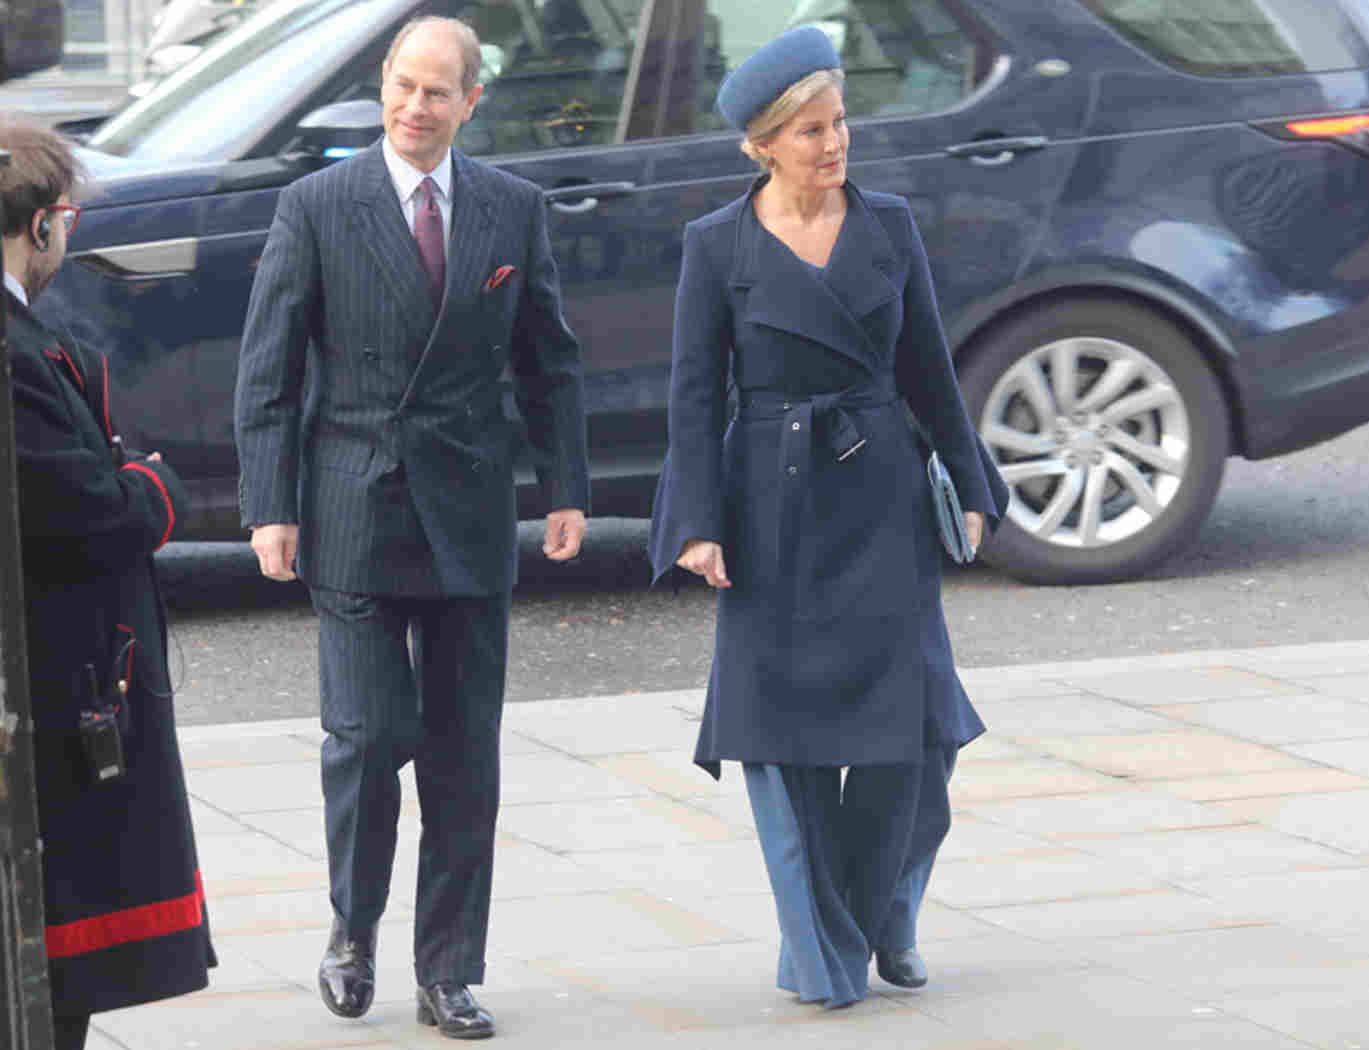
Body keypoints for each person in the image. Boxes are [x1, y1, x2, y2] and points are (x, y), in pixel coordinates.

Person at [234, 15, 589, 1040]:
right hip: (354, 502)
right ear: (382, 87)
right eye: (401, 85)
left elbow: (549, 359)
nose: (414, 107)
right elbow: (269, 368)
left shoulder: (511, 209)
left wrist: (564, 486)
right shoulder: (317, 206)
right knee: (366, 735)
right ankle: (352, 930)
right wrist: (270, 505)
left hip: (469, 510)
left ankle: (449, 972)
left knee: (463, 753)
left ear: (471, 101)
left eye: (437, 91)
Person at [648, 26, 1009, 1009]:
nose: (834, 142)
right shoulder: (716, 245)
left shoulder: (887, 224)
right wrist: (695, 521)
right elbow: (692, 399)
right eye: (810, 130)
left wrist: (971, 481)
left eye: (840, 122)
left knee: (919, 736)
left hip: (882, 499)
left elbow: (928, 365)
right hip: (769, 509)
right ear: (764, 144)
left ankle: (883, 913)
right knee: (783, 741)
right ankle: (821, 954)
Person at [2, 119, 215, 1050]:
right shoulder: (14, 353)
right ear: (43, 224)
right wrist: (154, 486)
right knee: (52, 963)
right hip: (50, 687)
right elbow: (90, 510)